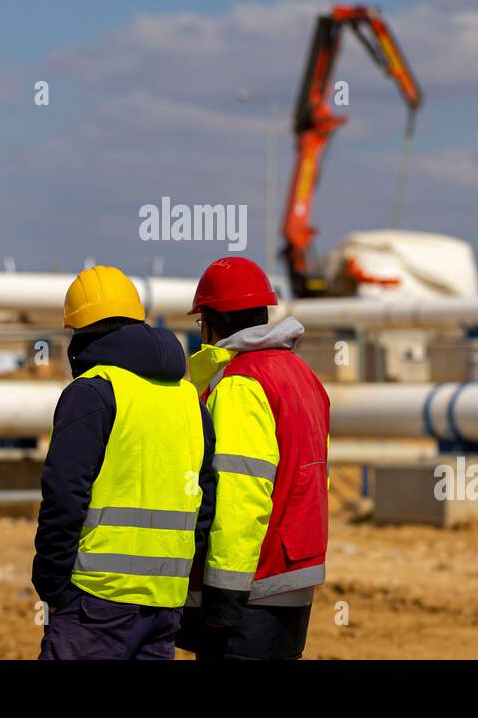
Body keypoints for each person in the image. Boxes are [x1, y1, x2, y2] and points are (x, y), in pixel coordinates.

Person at [32, 265, 216, 659]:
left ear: (82, 334)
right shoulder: (189, 401)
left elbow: (64, 495)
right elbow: (206, 498)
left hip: (95, 601)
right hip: (165, 603)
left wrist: (53, 584)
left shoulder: (92, 393)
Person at [180, 257, 330, 660]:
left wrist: (222, 598)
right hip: (293, 578)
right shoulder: (301, 375)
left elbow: (239, 497)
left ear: (211, 323)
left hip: (251, 587)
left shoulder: (241, 384)